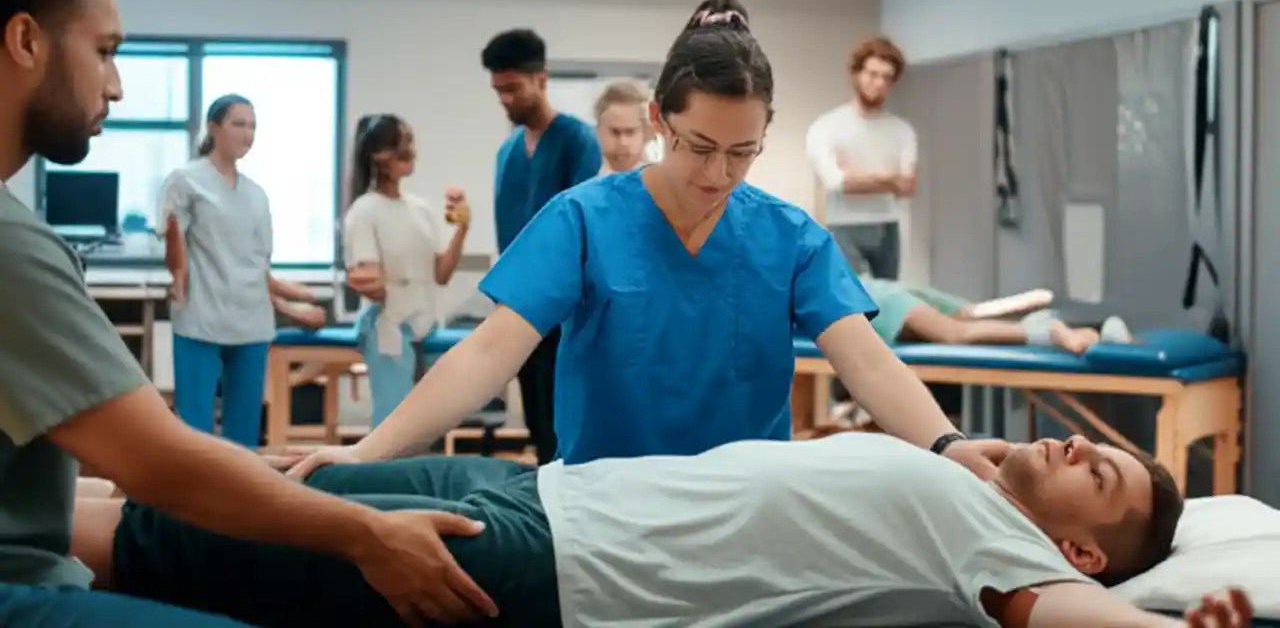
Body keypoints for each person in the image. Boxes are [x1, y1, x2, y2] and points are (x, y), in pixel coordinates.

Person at [0, 0, 499, 624]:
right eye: (104, 50)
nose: (115, 87)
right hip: (28, 578)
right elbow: (157, 461)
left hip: (244, 330)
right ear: (25, 40)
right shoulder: (20, 246)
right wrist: (367, 534)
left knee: (238, 459)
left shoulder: (262, 195)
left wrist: (270, 474)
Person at [286, 0, 1005, 482]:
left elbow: (870, 365)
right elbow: (487, 352)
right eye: (698, 146)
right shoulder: (583, 220)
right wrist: (369, 453)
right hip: (602, 503)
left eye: (742, 151)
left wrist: (951, 447)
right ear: (659, 119)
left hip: (744, 502)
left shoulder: (792, 239)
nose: (719, 173)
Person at [76, 433, 1252, 627]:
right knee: (250, 479)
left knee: (176, 542)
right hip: (546, 489)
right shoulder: (959, 477)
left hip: (567, 570)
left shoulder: (999, 557)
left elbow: (1078, 615)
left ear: (1082, 547)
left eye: (1096, 475)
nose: (1070, 448)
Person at [158, 93, 325, 447]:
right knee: (195, 428)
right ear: (213, 127)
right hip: (201, 315)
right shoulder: (186, 181)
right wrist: (178, 280)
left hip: (252, 321)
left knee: (244, 430)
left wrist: (289, 305)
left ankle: (240, 499)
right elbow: (176, 246)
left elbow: (258, 267)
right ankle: (192, 500)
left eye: (252, 126)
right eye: (238, 124)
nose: (247, 134)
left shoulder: (256, 195)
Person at [484, 28, 603, 464]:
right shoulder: (508, 152)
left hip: (565, 310)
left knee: (562, 420)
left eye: (514, 89)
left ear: (541, 80)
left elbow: (582, 231)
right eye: (499, 91)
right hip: (520, 308)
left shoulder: (577, 141)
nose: (506, 100)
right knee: (535, 417)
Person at [344, 113, 471, 427]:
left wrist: (461, 230)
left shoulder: (420, 209)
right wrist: (371, 281)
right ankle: (383, 477)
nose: (410, 149)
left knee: (425, 425)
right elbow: (371, 282)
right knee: (393, 422)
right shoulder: (364, 211)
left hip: (425, 324)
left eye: (410, 140)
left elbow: (440, 274)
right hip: (389, 326)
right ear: (378, 156)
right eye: (401, 143)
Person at [806, 35, 917, 280]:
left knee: (888, 302)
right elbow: (837, 183)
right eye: (873, 74)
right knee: (850, 302)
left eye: (887, 77)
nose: (879, 83)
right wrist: (890, 180)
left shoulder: (902, 130)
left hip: (888, 226)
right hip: (843, 226)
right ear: (856, 74)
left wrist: (858, 177)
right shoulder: (827, 127)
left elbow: (907, 186)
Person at [861, 277, 1133, 354]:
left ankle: (1049, 330)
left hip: (873, 297)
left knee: (955, 332)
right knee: (967, 317)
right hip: (879, 290)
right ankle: (1097, 327)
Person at [593, 81, 656, 175]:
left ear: (647, 132)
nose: (622, 142)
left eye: (630, 132)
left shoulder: (664, 184)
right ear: (598, 131)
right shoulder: (577, 180)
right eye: (615, 132)